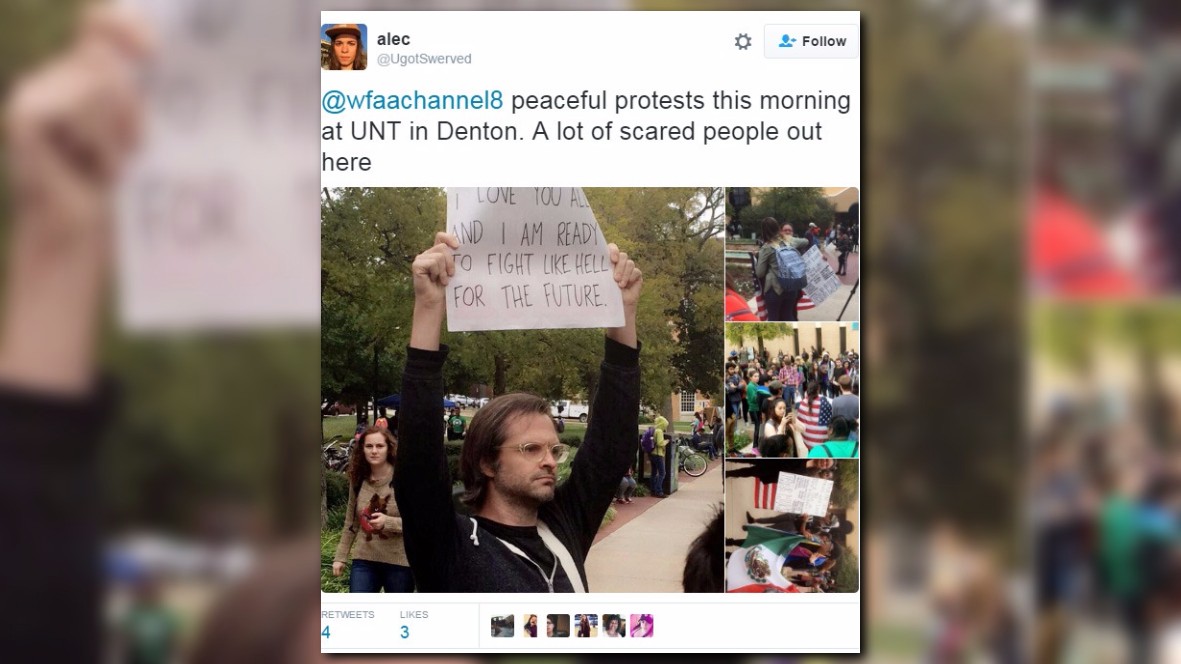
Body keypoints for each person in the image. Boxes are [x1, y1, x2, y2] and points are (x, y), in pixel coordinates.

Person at [394, 233, 643, 593]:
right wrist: (429, 308)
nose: (550, 461)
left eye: (554, 450)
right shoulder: (452, 545)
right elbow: (418, 463)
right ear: (487, 463)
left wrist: (621, 311)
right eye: (531, 449)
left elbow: (610, 445)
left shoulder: (564, 525)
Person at [332, 426, 413, 592]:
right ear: (362, 449)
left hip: (399, 562)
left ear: (389, 448)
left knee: (399, 616)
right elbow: (351, 522)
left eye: (379, 446)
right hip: (364, 560)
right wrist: (340, 557)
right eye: (369, 446)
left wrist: (388, 522)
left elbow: (419, 523)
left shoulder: (404, 479)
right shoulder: (358, 479)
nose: (374, 451)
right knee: (361, 615)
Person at [755, 217, 809, 322]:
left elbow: (760, 273)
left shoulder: (766, 248)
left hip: (774, 289)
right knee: (788, 315)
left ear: (764, 231)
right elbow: (806, 241)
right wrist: (786, 237)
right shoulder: (790, 241)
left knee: (773, 319)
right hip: (791, 286)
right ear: (778, 228)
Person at [796, 381, 832, 451]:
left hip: (808, 440)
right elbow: (830, 419)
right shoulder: (823, 401)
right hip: (822, 441)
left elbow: (800, 421)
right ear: (818, 390)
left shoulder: (802, 402)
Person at [650, 413, 669, 498]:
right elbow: (660, 443)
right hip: (658, 454)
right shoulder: (659, 431)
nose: (665, 427)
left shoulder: (654, 429)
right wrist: (666, 442)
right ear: (663, 424)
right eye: (665, 425)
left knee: (653, 473)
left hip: (652, 454)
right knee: (662, 473)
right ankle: (659, 491)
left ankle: (653, 490)